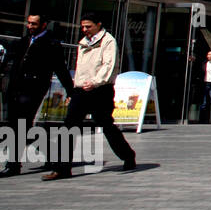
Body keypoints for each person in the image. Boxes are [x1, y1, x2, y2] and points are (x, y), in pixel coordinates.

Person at [44, 14, 136, 179]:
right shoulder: (83, 42)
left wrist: (95, 81)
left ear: (98, 25)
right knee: (69, 126)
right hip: (81, 90)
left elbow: (109, 65)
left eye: (88, 26)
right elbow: (80, 67)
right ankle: (62, 168)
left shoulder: (108, 41)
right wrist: (74, 88)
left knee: (105, 124)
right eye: (83, 27)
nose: (85, 30)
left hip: (101, 89)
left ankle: (128, 155)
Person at [2, 13, 75, 178]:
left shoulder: (51, 45)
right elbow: (10, 63)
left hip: (33, 90)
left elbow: (61, 70)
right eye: (29, 23)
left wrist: (70, 91)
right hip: (15, 89)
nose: (30, 26)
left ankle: (13, 165)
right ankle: (53, 154)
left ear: (43, 25)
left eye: (34, 24)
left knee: (20, 126)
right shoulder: (23, 41)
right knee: (18, 125)